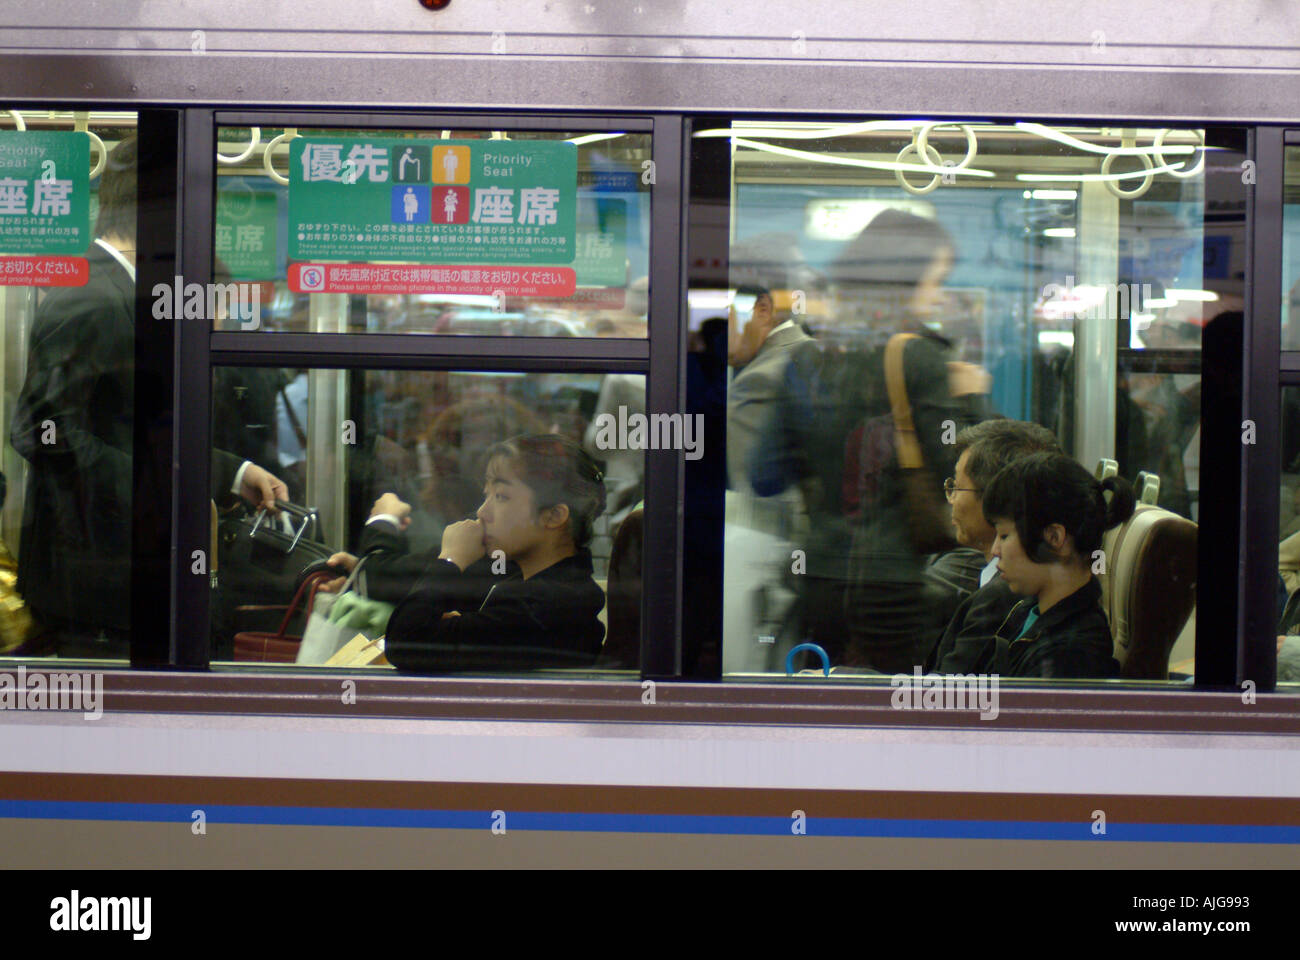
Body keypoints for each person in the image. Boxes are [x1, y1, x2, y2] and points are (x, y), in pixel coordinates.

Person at [9, 135, 288, 657]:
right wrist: (159, 490)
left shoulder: (122, 290)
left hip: (112, 579)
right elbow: (39, 431)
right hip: (91, 583)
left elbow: (126, 431)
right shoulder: (90, 295)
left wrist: (229, 471)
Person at [752, 210, 992, 670]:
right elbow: (963, 471)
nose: (938, 296)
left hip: (817, 581)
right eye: (935, 281)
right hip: (892, 588)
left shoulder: (807, 359)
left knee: (818, 713)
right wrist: (970, 399)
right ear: (905, 280)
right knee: (887, 722)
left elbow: (764, 475)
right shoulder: (920, 358)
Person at [326, 434, 607, 672]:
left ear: (554, 515)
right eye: (486, 495)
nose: (483, 512)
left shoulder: (546, 606)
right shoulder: (535, 587)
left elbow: (406, 641)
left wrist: (450, 560)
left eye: (501, 496)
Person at [971, 452, 1136, 679]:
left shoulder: (1068, 656)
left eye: (1004, 535)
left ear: (1055, 538)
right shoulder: (1030, 611)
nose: (995, 551)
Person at [925, 419, 1062, 672]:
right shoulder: (994, 579)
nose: (951, 499)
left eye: (956, 486)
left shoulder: (1004, 598)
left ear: (996, 497)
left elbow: (939, 701)